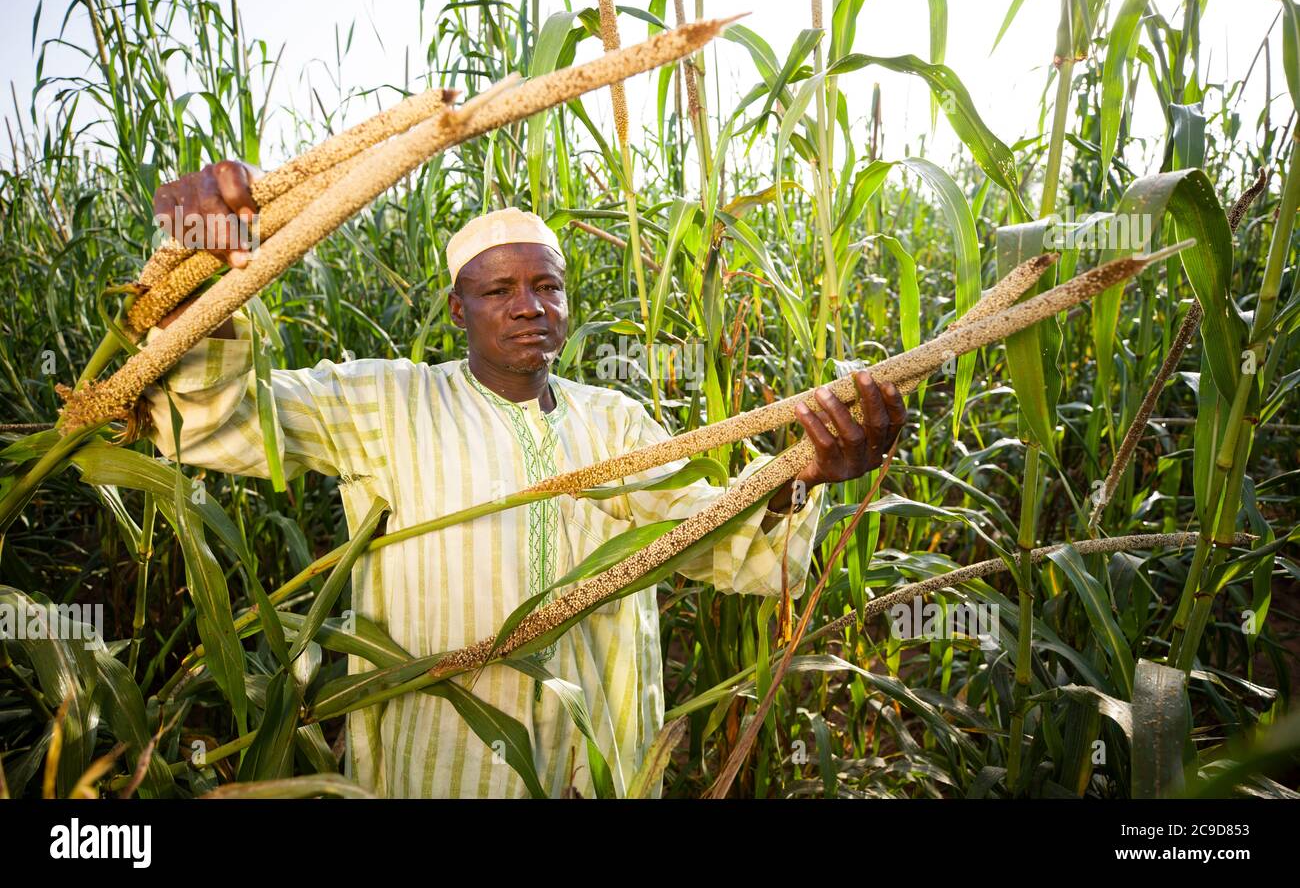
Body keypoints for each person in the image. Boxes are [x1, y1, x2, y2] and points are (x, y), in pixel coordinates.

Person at [145, 159, 906, 798]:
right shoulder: (387, 402)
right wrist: (202, 285)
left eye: (547, 287)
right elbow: (222, 422)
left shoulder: (614, 422)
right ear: (457, 308)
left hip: (596, 766)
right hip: (445, 770)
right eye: (498, 291)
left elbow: (711, 532)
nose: (529, 307)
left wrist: (807, 472)